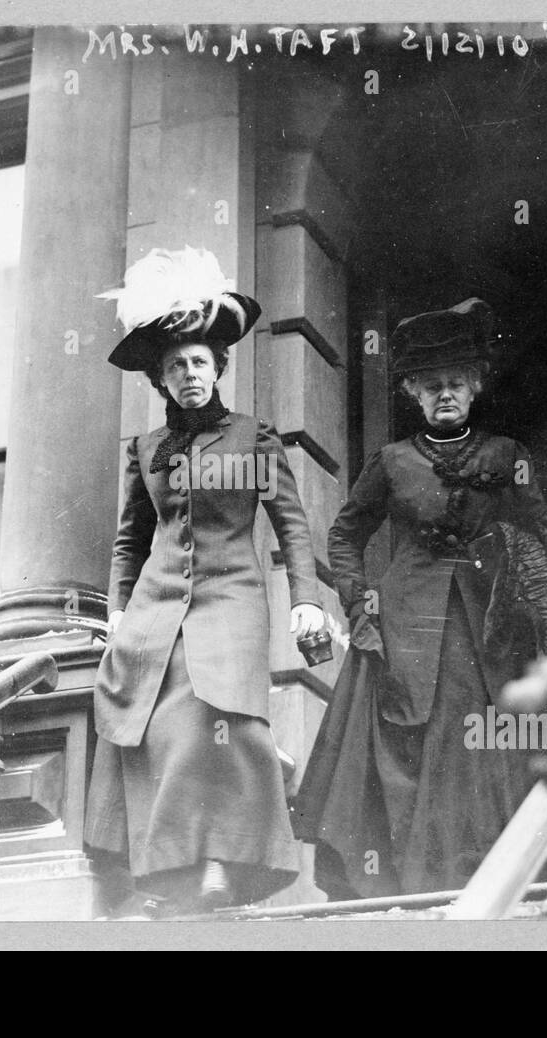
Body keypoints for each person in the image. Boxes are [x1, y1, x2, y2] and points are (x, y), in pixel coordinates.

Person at [293, 298, 547, 900]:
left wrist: (534, 597)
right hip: (404, 619)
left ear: (473, 388)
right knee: (408, 741)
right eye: (431, 385)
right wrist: (358, 597)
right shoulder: (392, 461)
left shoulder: (506, 455)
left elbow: (543, 537)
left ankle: (482, 883)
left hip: (486, 619)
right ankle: (407, 883)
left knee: (480, 738)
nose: (444, 394)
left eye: (455, 383)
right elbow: (345, 534)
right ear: (414, 393)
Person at [84, 246, 327, 916]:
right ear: (160, 380)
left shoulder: (254, 438)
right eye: (175, 367)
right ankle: (171, 865)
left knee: (213, 717)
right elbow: (129, 541)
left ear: (218, 367)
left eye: (199, 363)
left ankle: (222, 856)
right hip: (154, 609)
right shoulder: (144, 451)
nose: (189, 374)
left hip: (232, 602)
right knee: (153, 727)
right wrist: (114, 614)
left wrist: (306, 600)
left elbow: (293, 525)